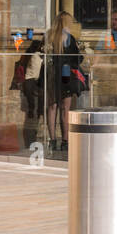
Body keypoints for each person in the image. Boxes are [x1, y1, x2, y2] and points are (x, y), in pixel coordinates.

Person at [43, 11, 85, 152]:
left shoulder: (49, 36)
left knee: (52, 107)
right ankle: (65, 141)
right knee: (65, 108)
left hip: (51, 73)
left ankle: (52, 140)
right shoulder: (68, 38)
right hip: (66, 73)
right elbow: (77, 59)